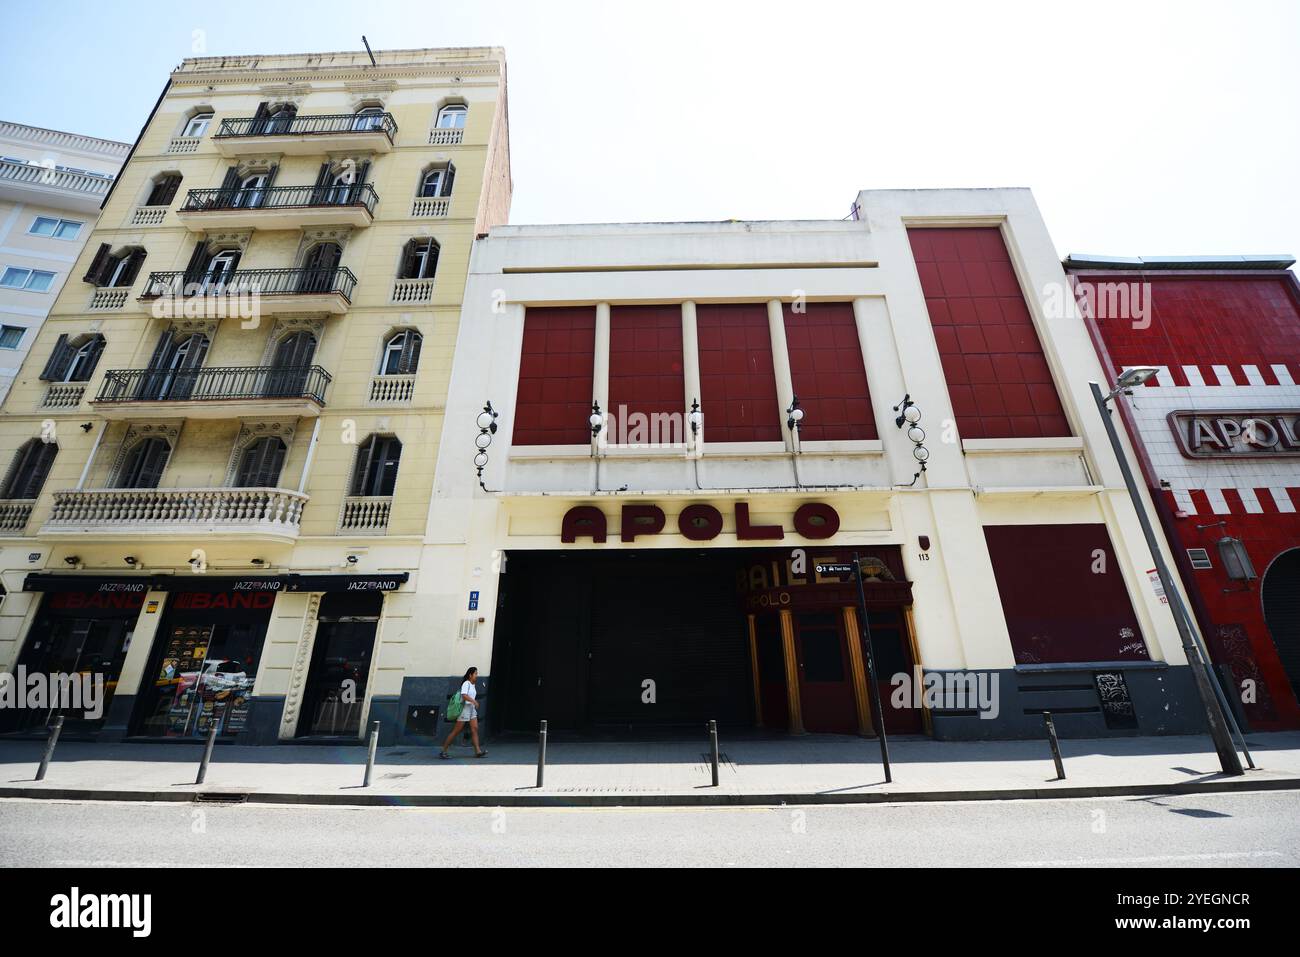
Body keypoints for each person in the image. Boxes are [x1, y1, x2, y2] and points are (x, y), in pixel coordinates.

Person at [440, 667, 487, 759]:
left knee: (475, 729)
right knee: (456, 731)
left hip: (472, 709)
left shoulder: (473, 685)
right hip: (465, 708)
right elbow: (464, 695)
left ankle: (478, 751)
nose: (476, 675)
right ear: (470, 675)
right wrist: (474, 701)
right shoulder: (466, 683)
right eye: (475, 673)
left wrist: (473, 703)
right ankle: (443, 751)